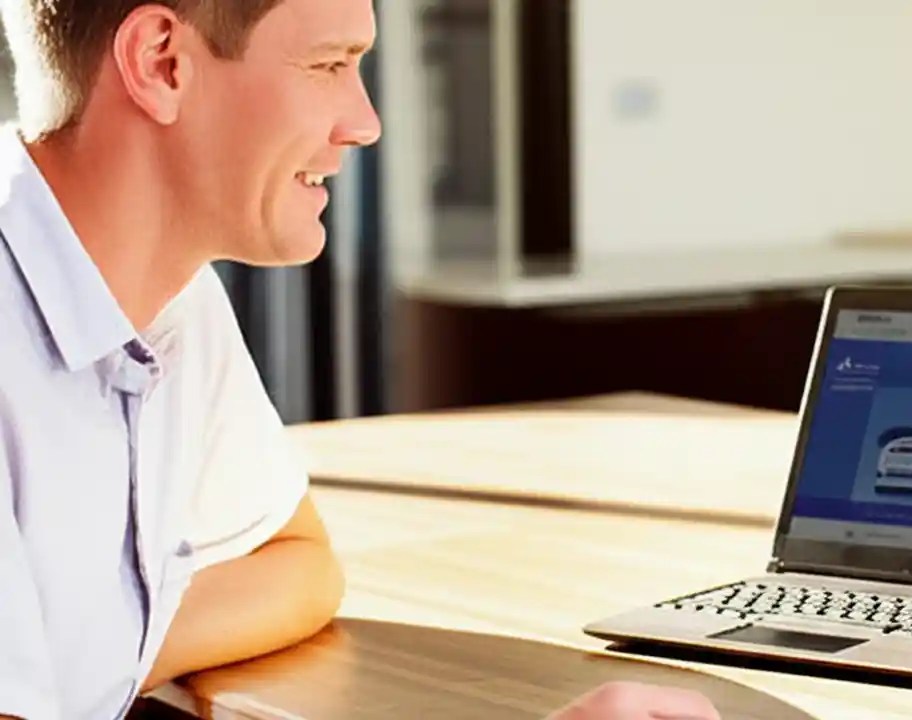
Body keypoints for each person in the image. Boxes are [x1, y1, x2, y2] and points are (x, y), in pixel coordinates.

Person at [0, 1, 720, 718]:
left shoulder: (172, 300)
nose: (365, 122)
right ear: (163, 63)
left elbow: (297, 561)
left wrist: (75, 661)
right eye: (328, 65)